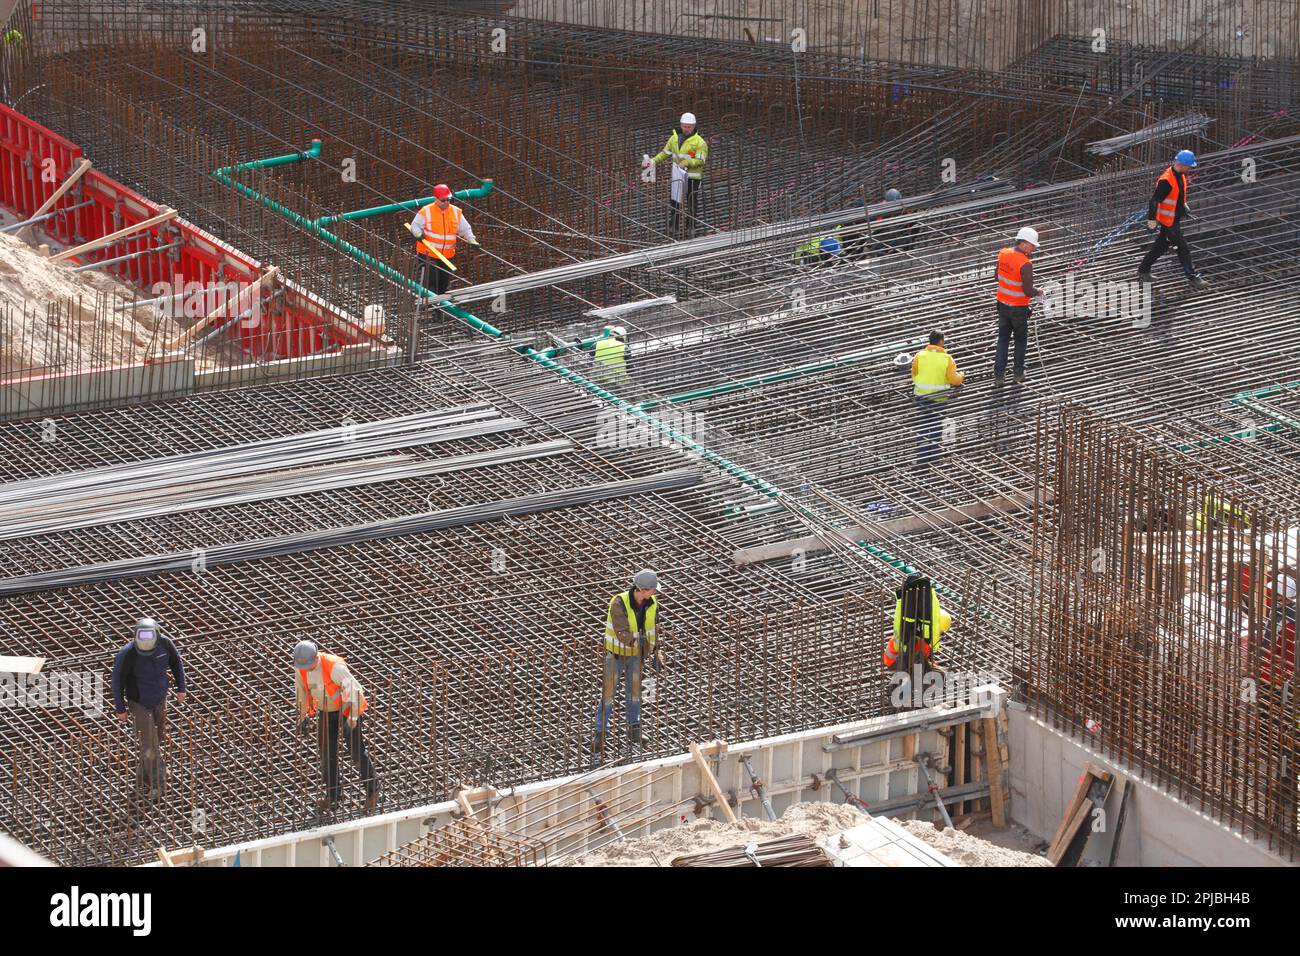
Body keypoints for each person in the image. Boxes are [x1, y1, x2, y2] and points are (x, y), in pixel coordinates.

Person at [294, 640, 381, 813]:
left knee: (356, 752)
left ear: (317, 656)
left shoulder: (334, 666)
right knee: (327, 754)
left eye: (310, 666)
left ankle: (373, 790)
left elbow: (356, 691)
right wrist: (302, 717)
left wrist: (352, 719)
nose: (307, 670)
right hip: (326, 710)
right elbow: (302, 692)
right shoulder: (301, 668)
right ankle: (333, 796)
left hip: (347, 709)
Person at [111, 617, 186, 801]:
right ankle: (158, 785)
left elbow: (176, 663)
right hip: (139, 703)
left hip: (160, 699)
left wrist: (181, 688)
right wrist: (120, 708)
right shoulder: (126, 654)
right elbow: (117, 681)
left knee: (157, 740)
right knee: (149, 745)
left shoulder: (165, 644)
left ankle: (142, 777)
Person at [594, 569, 661, 753]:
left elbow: (654, 629)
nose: (654, 593)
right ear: (643, 589)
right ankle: (600, 733)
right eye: (652, 589)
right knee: (608, 694)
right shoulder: (619, 603)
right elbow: (621, 631)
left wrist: (656, 652)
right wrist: (638, 641)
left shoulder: (652, 603)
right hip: (616, 655)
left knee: (635, 692)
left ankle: (634, 728)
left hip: (637, 656)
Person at [1138, 149, 1206, 290]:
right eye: (1189, 166)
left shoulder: (1179, 175)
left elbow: (1178, 193)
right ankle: (1192, 277)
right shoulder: (1166, 180)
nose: (1190, 169)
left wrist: (1183, 205)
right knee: (1183, 248)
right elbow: (1154, 201)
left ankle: (1143, 270)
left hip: (1174, 218)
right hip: (1168, 221)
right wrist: (1151, 220)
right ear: (1181, 164)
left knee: (1161, 247)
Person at [409, 183, 478, 297]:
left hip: (447, 256)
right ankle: (431, 309)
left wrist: (471, 240)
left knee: (443, 285)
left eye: (448, 199)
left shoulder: (456, 212)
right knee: (431, 285)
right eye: (443, 200)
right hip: (428, 254)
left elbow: (465, 228)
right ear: (436, 199)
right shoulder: (426, 211)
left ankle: (440, 310)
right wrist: (419, 235)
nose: (446, 202)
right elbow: (415, 226)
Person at [994, 226, 1042, 385]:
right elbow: (1028, 291)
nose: (1034, 248)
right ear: (1024, 243)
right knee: (1020, 340)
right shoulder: (1025, 263)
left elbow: (997, 277)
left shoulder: (1003, 254)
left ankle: (999, 376)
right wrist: (1039, 292)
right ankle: (1018, 373)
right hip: (1018, 309)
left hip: (1002, 304)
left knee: (1003, 339)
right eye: (1033, 245)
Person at [911, 330, 965, 468]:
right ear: (941, 341)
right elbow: (954, 379)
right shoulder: (947, 358)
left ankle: (922, 460)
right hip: (939, 399)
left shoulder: (919, 355)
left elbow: (914, 374)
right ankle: (933, 459)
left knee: (923, 427)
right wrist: (962, 376)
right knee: (935, 427)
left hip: (921, 397)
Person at [650, 113, 708, 238]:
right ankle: (673, 226)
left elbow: (701, 160)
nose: (686, 129)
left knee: (691, 202)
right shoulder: (674, 139)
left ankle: (691, 227)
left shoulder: (700, 143)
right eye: (684, 126)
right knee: (674, 202)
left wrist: (687, 162)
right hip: (678, 175)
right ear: (681, 125)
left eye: (689, 127)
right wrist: (653, 161)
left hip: (693, 177)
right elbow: (665, 153)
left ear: (694, 126)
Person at [593, 325, 628, 389]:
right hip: (616, 382)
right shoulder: (624, 348)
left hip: (597, 377)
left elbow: (588, 356)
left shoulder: (598, 343)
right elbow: (630, 368)